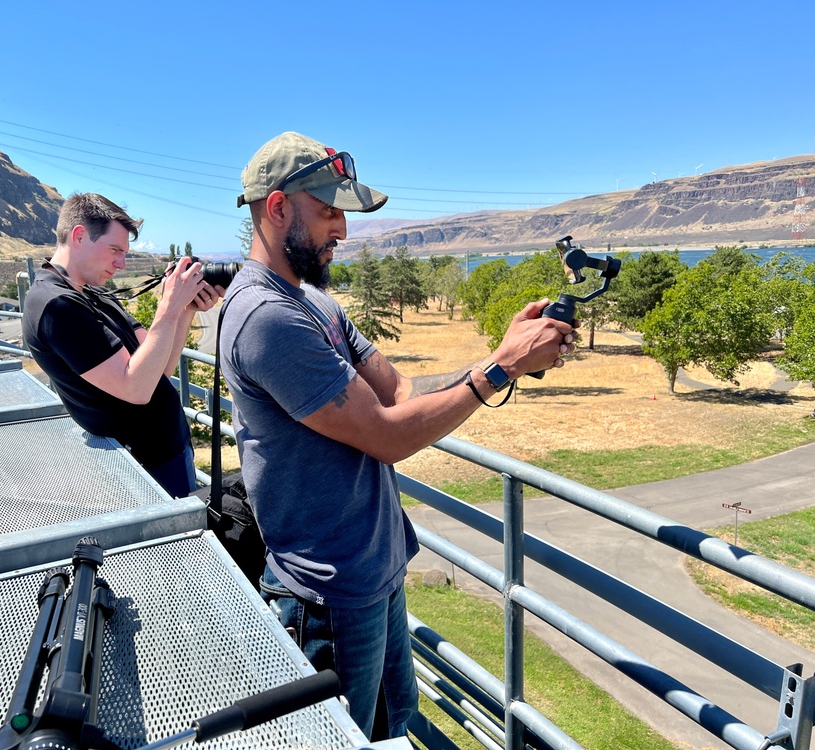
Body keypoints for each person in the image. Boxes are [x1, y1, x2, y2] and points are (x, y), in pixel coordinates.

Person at [218, 132, 577, 739]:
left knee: (390, 730)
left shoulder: (316, 305)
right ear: (277, 208)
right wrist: (501, 370)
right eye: (329, 211)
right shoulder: (265, 317)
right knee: (341, 739)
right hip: (326, 595)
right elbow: (386, 436)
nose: (343, 229)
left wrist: (500, 353)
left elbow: (401, 392)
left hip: (373, 572)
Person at [22, 192, 223, 497]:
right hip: (142, 468)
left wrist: (186, 309)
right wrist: (168, 307)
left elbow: (158, 370)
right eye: (115, 250)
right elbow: (136, 389)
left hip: (167, 449)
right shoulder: (55, 305)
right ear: (79, 236)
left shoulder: (91, 292)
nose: (121, 263)